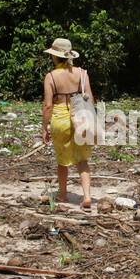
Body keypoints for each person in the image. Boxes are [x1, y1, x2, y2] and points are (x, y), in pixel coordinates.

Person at [41, 38, 95, 209]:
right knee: (83, 160)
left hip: (61, 118)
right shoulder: (83, 73)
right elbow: (91, 98)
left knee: (62, 160)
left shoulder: (50, 77)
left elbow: (48, 105)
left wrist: (45, 127)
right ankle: (86, 196)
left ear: (55, 57)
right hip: (81, 116)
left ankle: (63, 195)